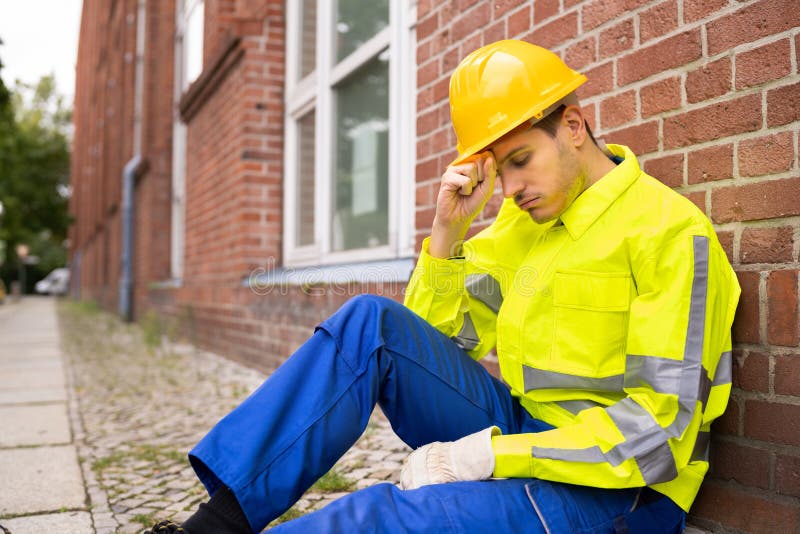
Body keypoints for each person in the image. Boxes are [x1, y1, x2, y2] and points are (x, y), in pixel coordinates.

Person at [147, 40, 740, 534]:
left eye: (521, 159)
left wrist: (485, 457)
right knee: (368, 326)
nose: (509, 188)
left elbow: (656, 438)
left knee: (374, 516)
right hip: (531, 430)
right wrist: (446, 235)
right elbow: (432, 348)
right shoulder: (524, 223)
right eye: (499, 168)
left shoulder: (668, 232)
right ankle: (216, 526)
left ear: (575, 127)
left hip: (621, 493)